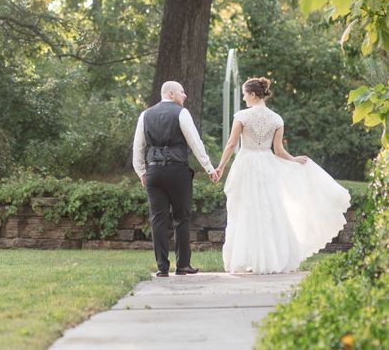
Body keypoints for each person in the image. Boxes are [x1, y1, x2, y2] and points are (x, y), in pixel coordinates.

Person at [214, 77, 351, 274]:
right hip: (266, 165)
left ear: (253, 94)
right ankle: (271, 260)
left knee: (244, 209)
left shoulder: (242, 116)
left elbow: (230, 144)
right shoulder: (276, 119)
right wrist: (293, 159)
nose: (244, 98)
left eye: (245, 94)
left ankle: (245, 259)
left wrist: (220, 167)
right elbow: (278, 151)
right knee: (269, 210)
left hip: (246, 164)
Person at [133, 80, 220, 277]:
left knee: (157, 219)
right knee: (181, 217)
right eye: (182, 92)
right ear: (171, 94)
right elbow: (195, 142)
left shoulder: (145, 115)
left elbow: (138, 146)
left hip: (154, 172)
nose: (185, 95)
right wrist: (209, 168)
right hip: (177, 171)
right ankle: (182, 265)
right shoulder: (181, 113)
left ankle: (162, 267)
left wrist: (141, 172)